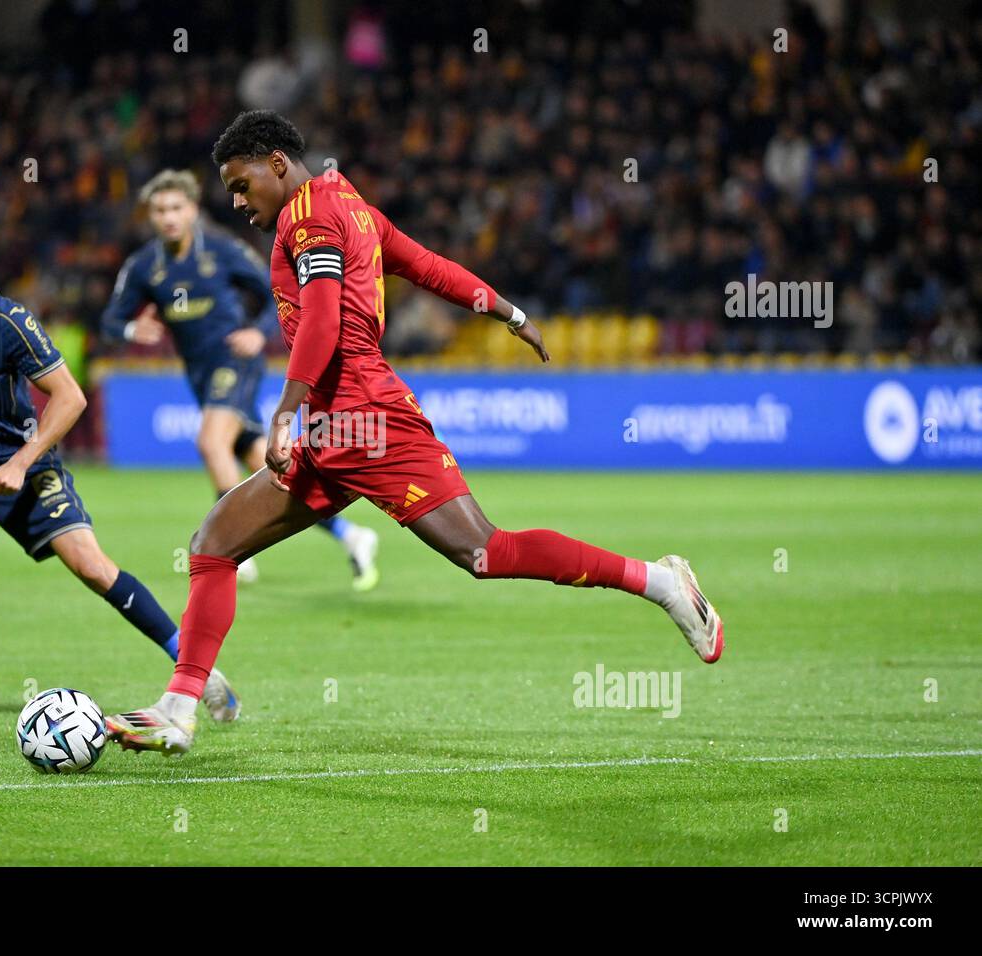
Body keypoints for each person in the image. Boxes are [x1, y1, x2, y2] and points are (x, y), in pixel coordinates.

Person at [103, 112, 724, 756]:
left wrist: (284, 413)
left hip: (365, 421)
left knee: (484, 552)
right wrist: (507, 310)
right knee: (214, 543)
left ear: (276, 163)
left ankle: (659, 581)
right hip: (334, 424)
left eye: (239, 184)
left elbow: (320, 321)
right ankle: (178, 708)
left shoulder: (308, 216)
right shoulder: (353, 208)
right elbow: (427, 266)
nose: (236, 202)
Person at [0, 207, 238, 724]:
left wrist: (22, 462)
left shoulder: (7, 322)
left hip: (23, 466)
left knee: (92, 566)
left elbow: (70, 397)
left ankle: (201, 674)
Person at [101, 169, 380, 590]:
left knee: (211, 442)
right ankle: (352, 535)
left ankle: (233, 546)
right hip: (201, 375)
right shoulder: (144, 267)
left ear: (193, 210)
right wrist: (129, 331)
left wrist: (259, 331)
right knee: (266, 466)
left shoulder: (223, 251)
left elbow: (277, 289)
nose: (169, 217)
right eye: (160, 210)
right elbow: (111, 319)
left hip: (236, 362)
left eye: (176, 207)